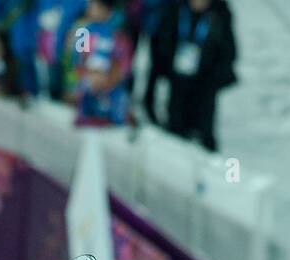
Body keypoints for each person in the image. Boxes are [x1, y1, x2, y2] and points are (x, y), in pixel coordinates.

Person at [153, 0, 236, 151]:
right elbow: (164, 38)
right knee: (176, 119)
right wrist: (167, 64)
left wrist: (216, 74)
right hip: (179, 75)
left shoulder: (219, 15)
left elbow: (228, 49)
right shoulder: (177, 10)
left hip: (206, 78)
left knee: (204, 122)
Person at [59, 0, 135, 126]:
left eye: (94, 6)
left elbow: (123, 65)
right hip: (87, 87)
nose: (89, 9)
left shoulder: (118, 35)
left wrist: (108, 80)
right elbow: (75, 60)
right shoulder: (83, 32)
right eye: (89, 6)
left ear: (107, 11)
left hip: (109, 90)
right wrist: (78, 81)